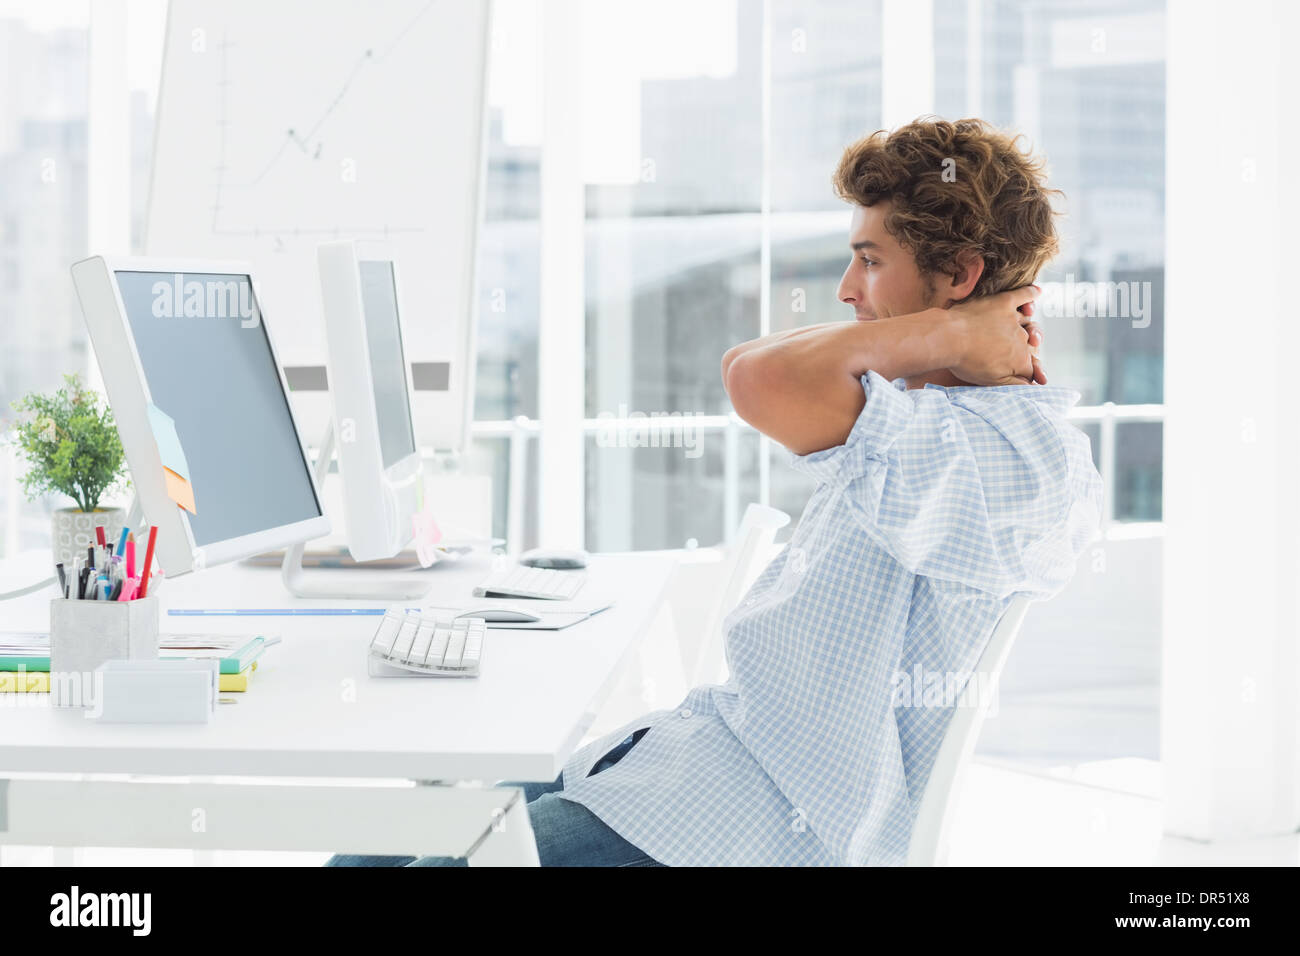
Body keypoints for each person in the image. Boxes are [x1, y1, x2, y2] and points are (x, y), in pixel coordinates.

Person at [327, 116, 1103, 867]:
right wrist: (950, 332)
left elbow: (757, 377)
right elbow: (751, 359)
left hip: (764, 820)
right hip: (708, 759)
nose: (845, 289)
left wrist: (947, 332)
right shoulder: (927, 417)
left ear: (961, 275)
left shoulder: (999, 455)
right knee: (377, 844)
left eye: (869, 260)